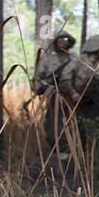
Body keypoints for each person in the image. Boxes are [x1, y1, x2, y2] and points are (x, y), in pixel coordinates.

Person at [33, 30, 80, 176]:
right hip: (54, 97)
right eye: (59, 39)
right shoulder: (48, 61)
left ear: (69, 41)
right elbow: (37, 79)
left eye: (65, 39)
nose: (62, 41)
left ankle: (72, 159)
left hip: (73, 99)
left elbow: (82, 78)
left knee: (74, 127)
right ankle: (59, 155)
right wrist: (42, 88)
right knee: (51, 127)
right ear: (55, 42)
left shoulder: (75, 60)